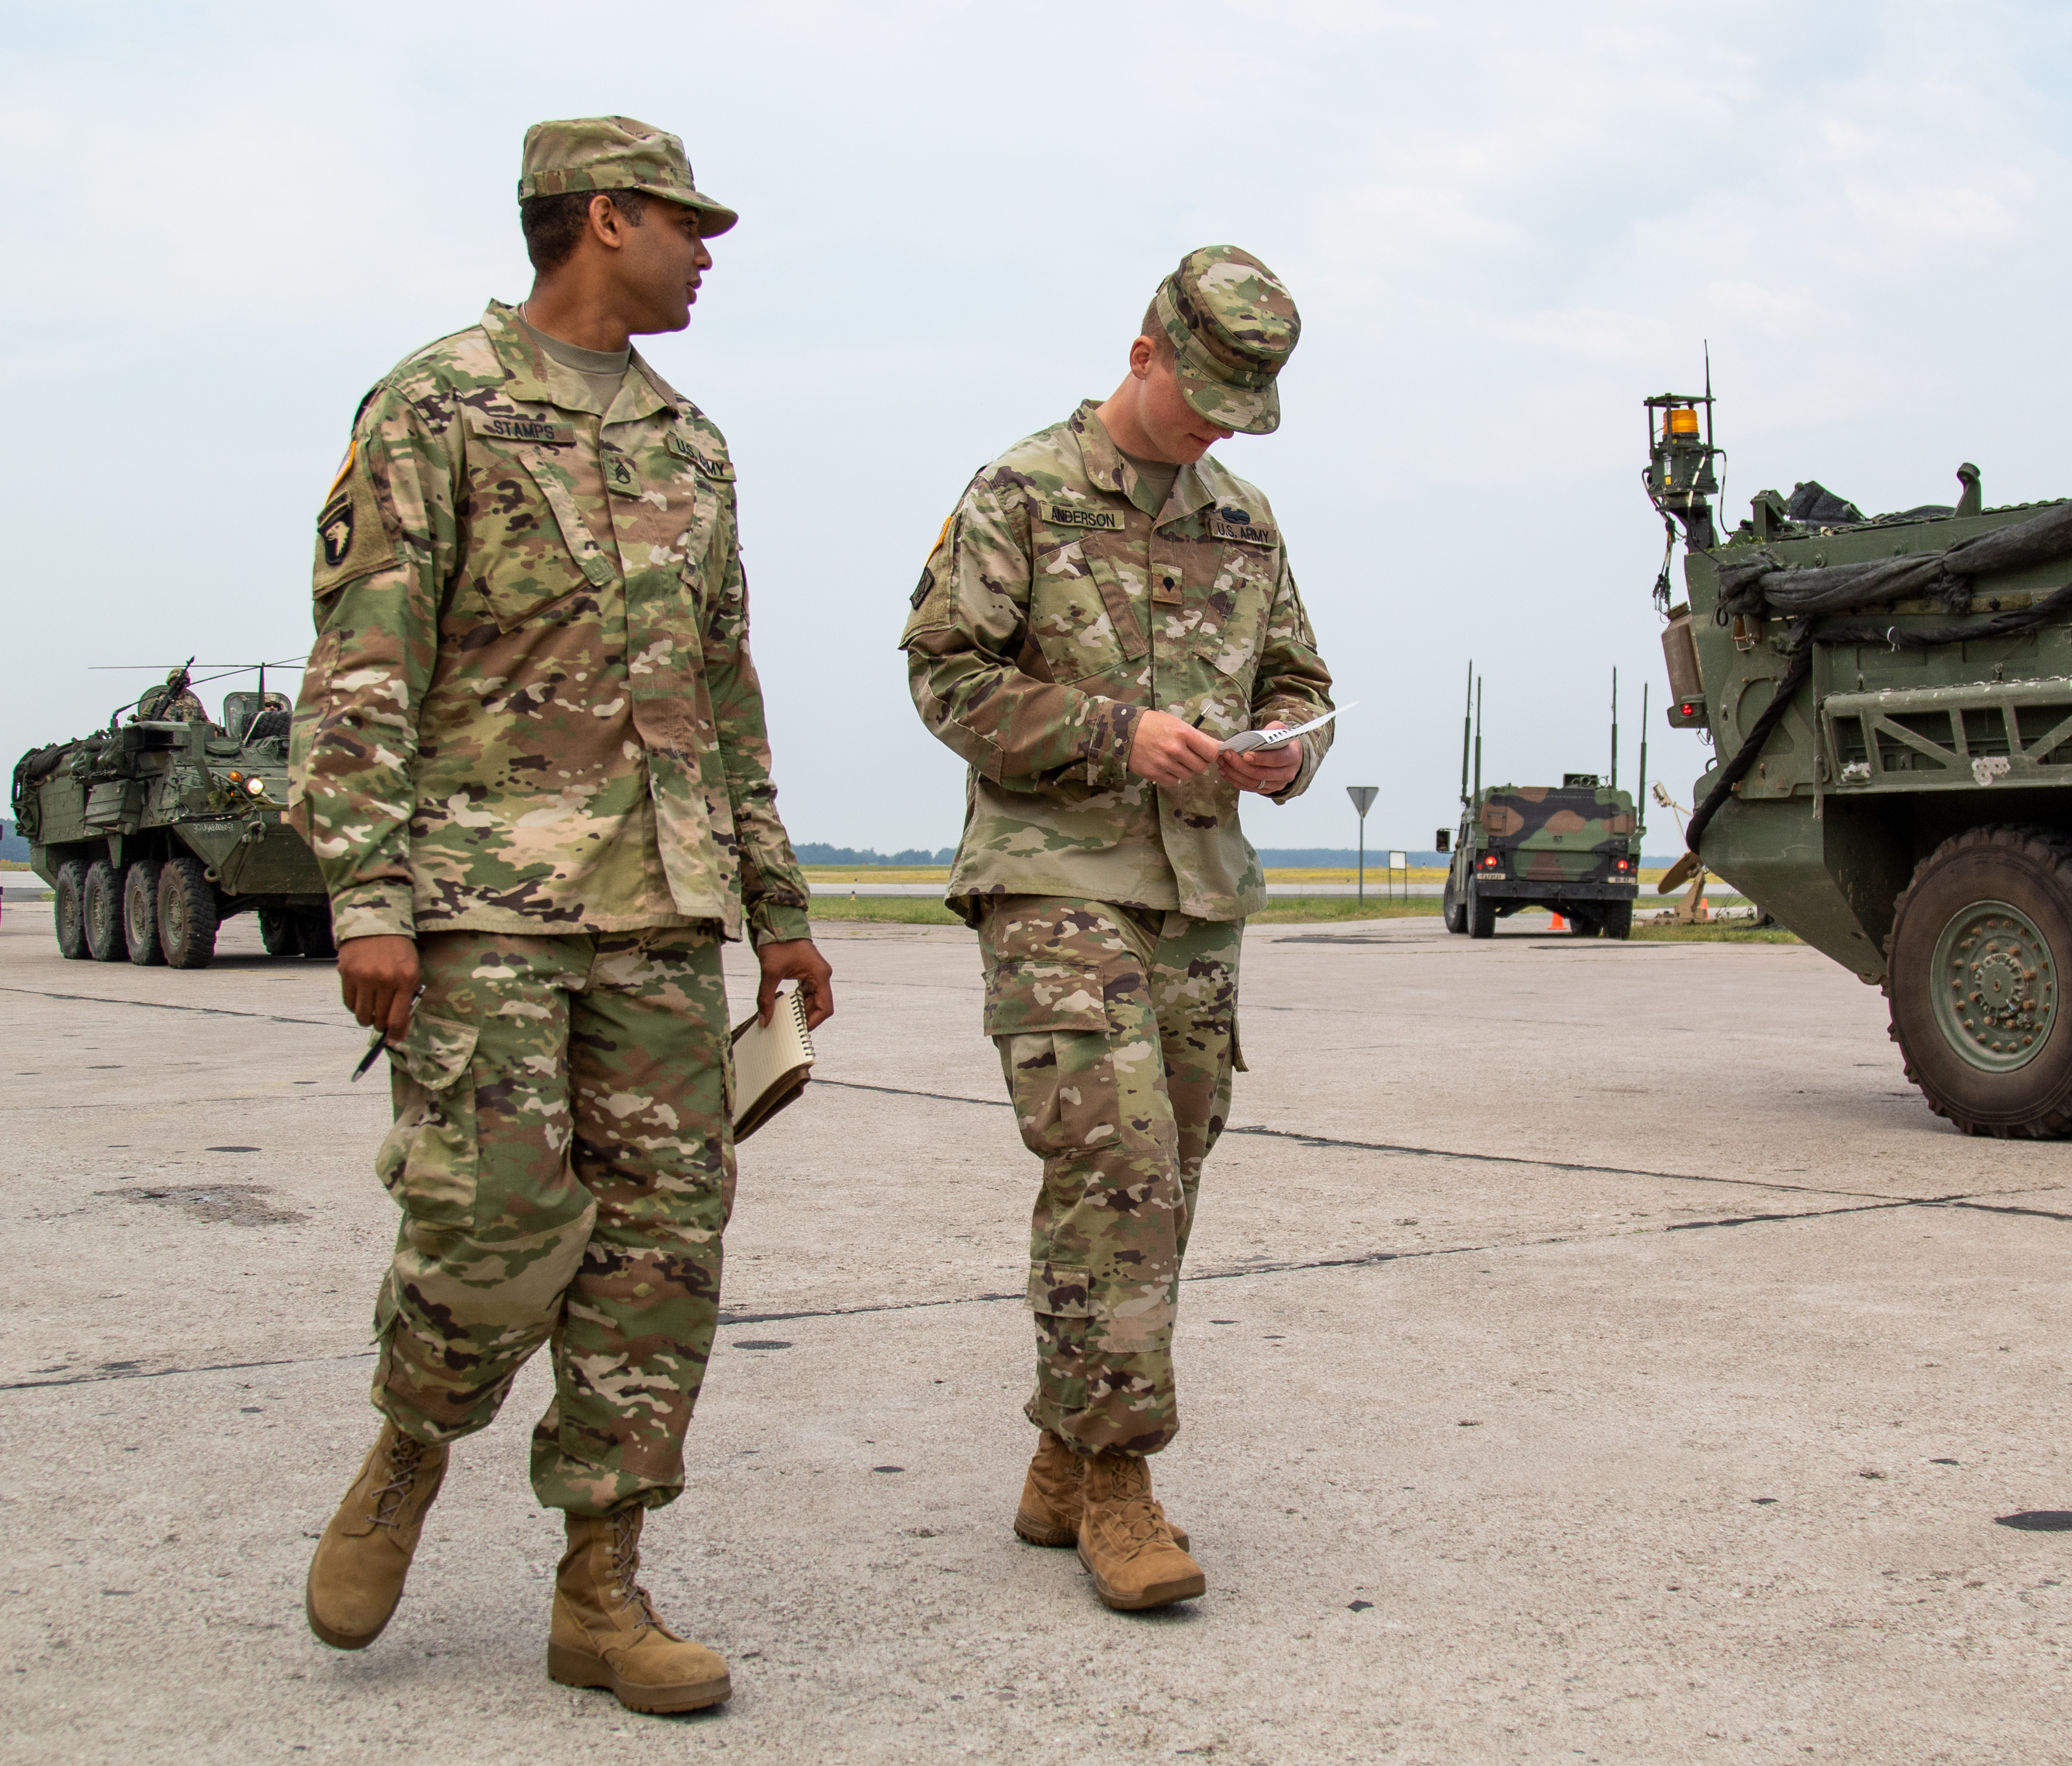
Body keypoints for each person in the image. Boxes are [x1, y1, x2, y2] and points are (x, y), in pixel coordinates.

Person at [289, 116, 831, 1715]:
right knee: (491, 1224)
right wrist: (370, 898)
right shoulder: (436, 403)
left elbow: (721, 693)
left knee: (663, 1253)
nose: (705, 250)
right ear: (604, 219)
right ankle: (410, 1441)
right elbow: (363, 667)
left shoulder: (692, 445)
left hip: (664, 913)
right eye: (684, 223)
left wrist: (778, 911)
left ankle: (601, 1584)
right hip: (485, 906)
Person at [899, 245, 1334, 1613]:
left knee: (1161, 1182)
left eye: (1237, 408)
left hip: (1197, 895)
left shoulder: (1246, 522)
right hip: (1050, 876)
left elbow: (1299, 677)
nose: (1211, 425)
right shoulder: (1020, 493)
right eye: (1199, 392)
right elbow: (942, 672)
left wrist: (1286, 752)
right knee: (1123, 1160)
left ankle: (1058, 1435)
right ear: (1143, 349)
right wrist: (1109, 732)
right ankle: (1122, 1479)